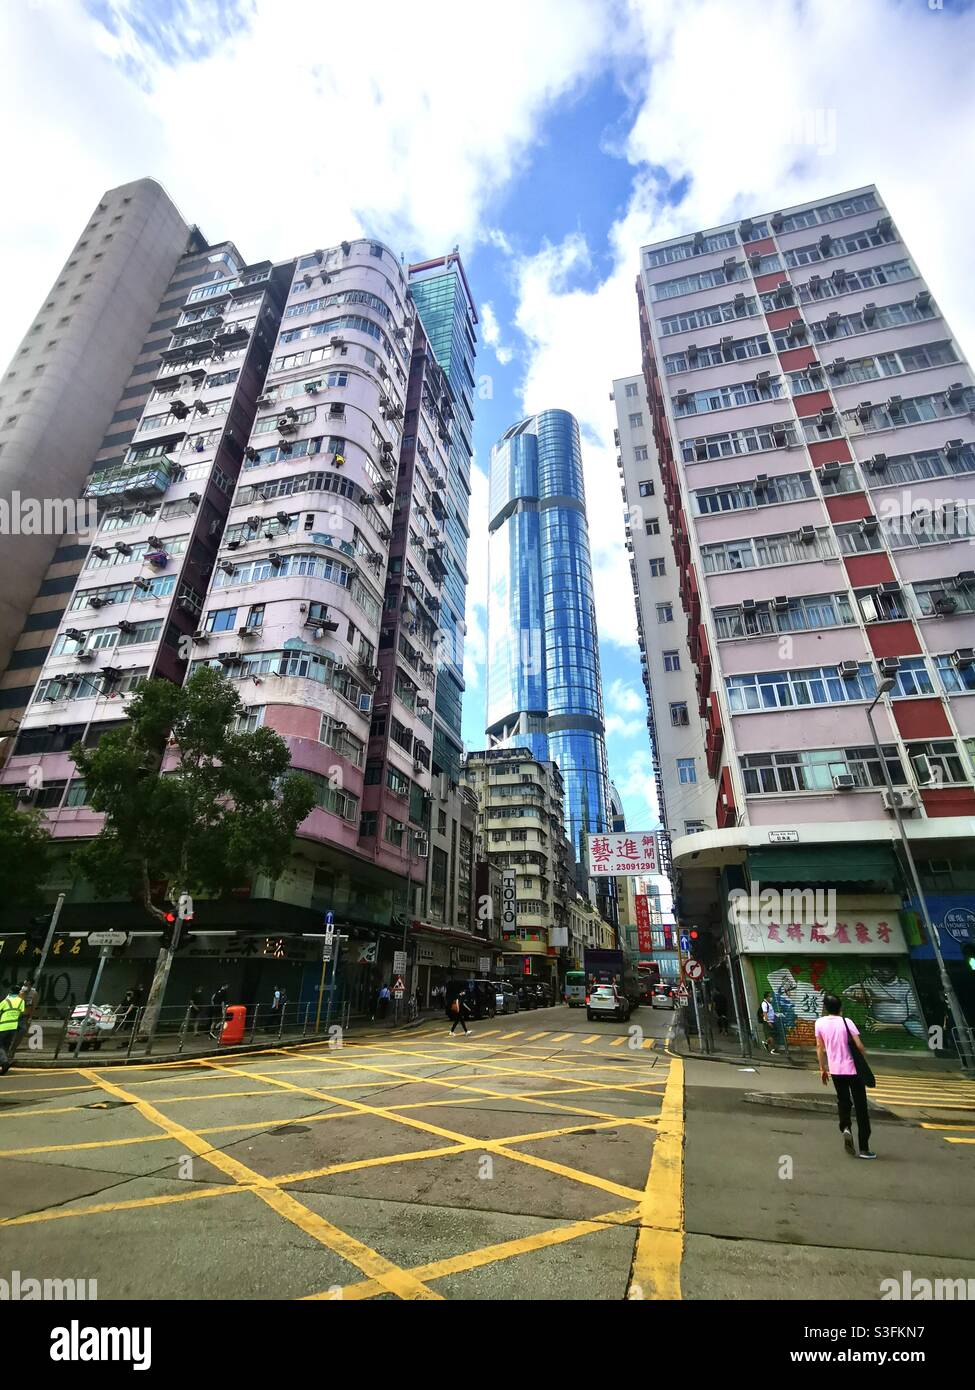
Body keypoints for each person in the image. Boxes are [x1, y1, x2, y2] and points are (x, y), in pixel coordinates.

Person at [815, 992, 876, 1160]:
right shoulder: (846, 1022)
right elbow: (859, 1045)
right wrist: (863, 1057)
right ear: (840, 1007)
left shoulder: (819, 1023)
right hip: (853, 1071)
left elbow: (819, 1047)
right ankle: (864, 1148)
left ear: (825, 1008)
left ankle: (846, 1127)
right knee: (861, 1107)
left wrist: (822, 1068)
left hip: (835, 1071)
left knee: (843, 1101)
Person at [0, 984, 28, 1074]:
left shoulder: (5, 1001)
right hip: (13, 1027)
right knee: (5, 1046)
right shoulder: (21, 1002)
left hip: (3, 1026)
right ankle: (5, 1063)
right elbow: (21, 1013)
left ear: (10, 991)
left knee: (0, 1046)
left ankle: (4, 1062)